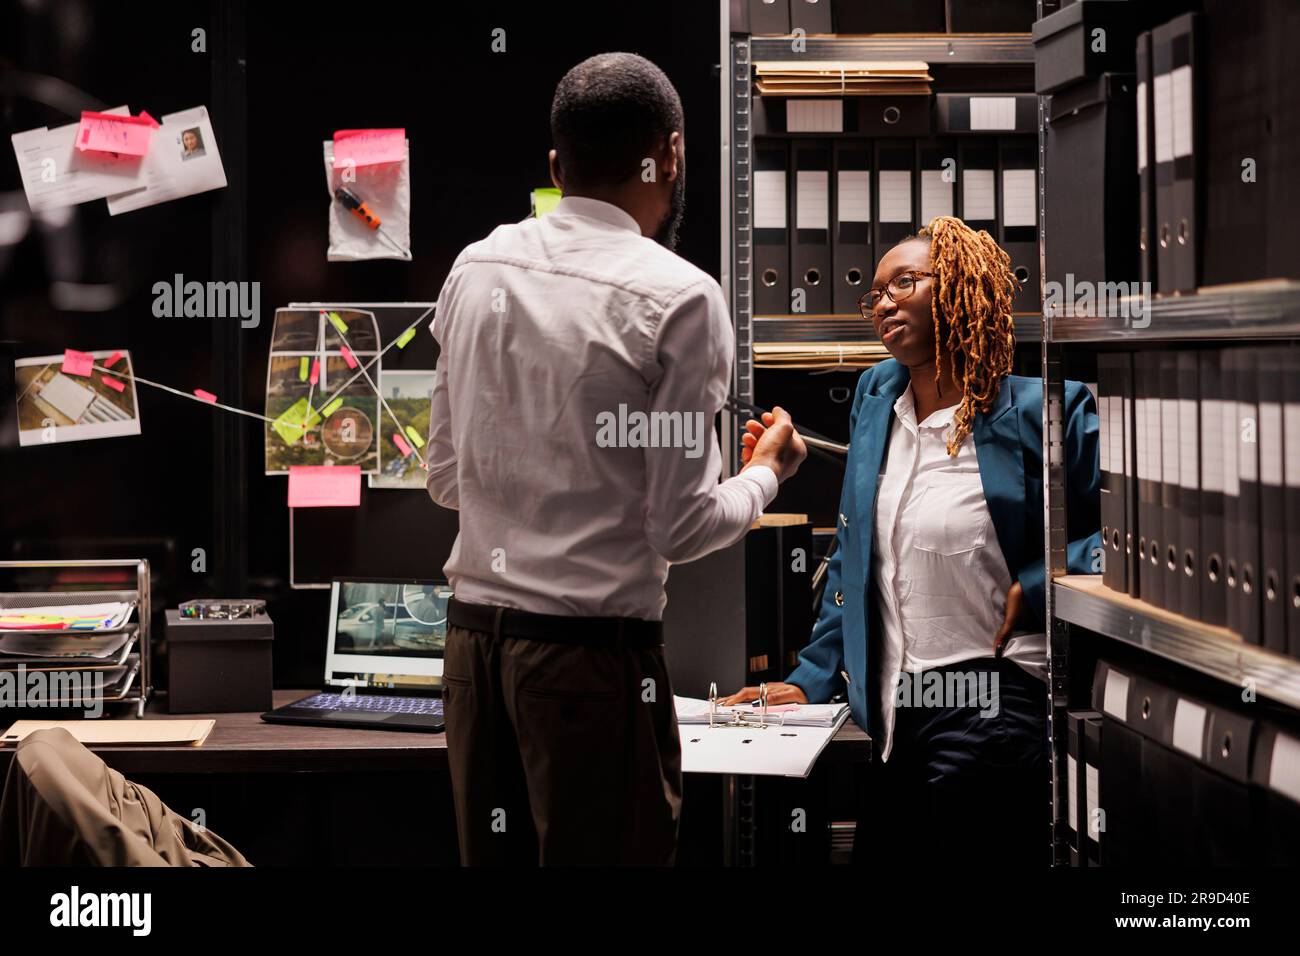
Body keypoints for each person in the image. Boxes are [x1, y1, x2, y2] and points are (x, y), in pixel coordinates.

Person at [425, 52, 806, 866]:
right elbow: (680, 525)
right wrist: (768, 470)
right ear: (670, 154)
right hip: (587, 669)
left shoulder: (475, 266)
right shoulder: (679, 297)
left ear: (557, 165)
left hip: (469, 658)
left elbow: (445, 478)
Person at [725, 216, 1100, 866]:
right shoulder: (878, 400)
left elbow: (1122, 540)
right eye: (875, 294)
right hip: (896, 714)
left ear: (958, 286)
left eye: (904, 282)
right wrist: (812, 679)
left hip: (997, 699)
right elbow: (852, 558)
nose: (882, 304)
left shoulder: (1049, 412)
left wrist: (1041, 588)